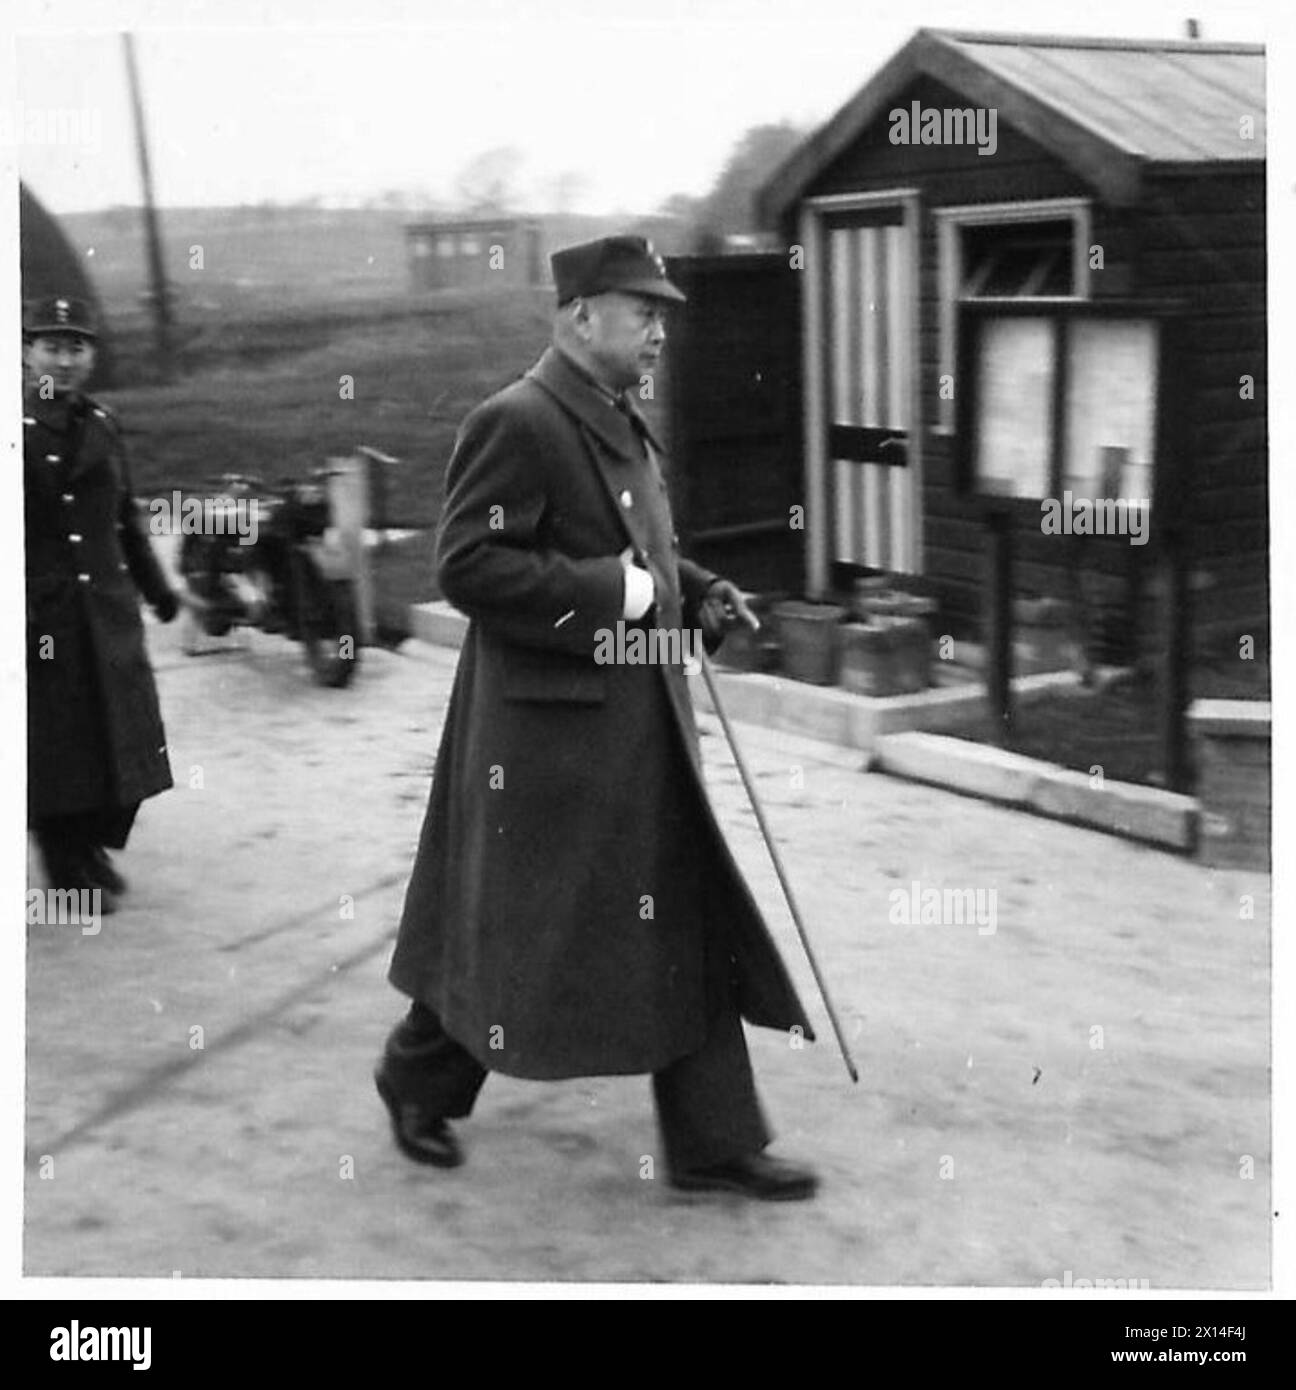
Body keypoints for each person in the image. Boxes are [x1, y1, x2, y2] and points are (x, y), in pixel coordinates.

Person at [377, 235, 818, 1200]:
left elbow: (641, 552)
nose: (660, 331)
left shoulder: (615, 415)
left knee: (683, 911)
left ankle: (711, 1142)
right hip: (548, 748)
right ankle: (415, 1080)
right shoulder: (520, 420)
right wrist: (610, 596)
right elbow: (468, 567)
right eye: (642, 312)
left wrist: (692, 591)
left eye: (661, 315)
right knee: (518, 935)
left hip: (640, 720)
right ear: (581, 316)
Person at [24, 296, 182, 913]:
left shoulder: (102, 424)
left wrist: (159, 589)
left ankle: (90, 843)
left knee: (120, 729)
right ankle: (64, 859)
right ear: (24, 350)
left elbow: (124, 519)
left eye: (76, 347)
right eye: (51, 346)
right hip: (42, 615)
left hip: (107, 609)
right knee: (58, 740)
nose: (64, 360)